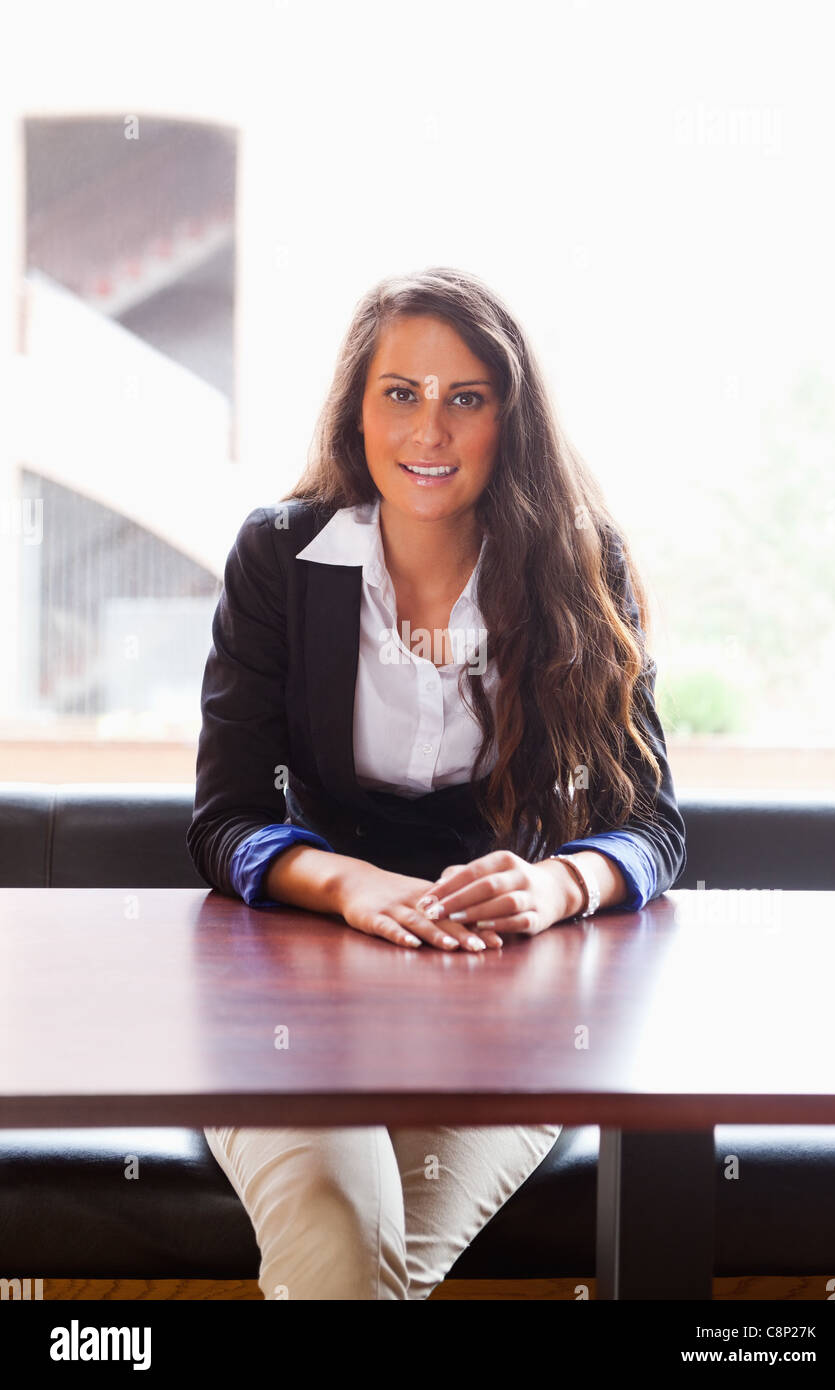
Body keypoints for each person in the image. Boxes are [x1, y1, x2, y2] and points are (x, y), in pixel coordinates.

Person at [187, 265, 686, 1300]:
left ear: (509, 418)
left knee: (350, 1268)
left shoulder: (577, 564)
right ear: (356, 411)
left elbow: (650, 827)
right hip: (297, 991)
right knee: (336, 1225)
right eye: (399, 394)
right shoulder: (278, 559)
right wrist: (344, 881)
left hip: (501, 1002)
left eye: (466, 398)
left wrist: (557, 885)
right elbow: (225, 819)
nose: (429, 430)